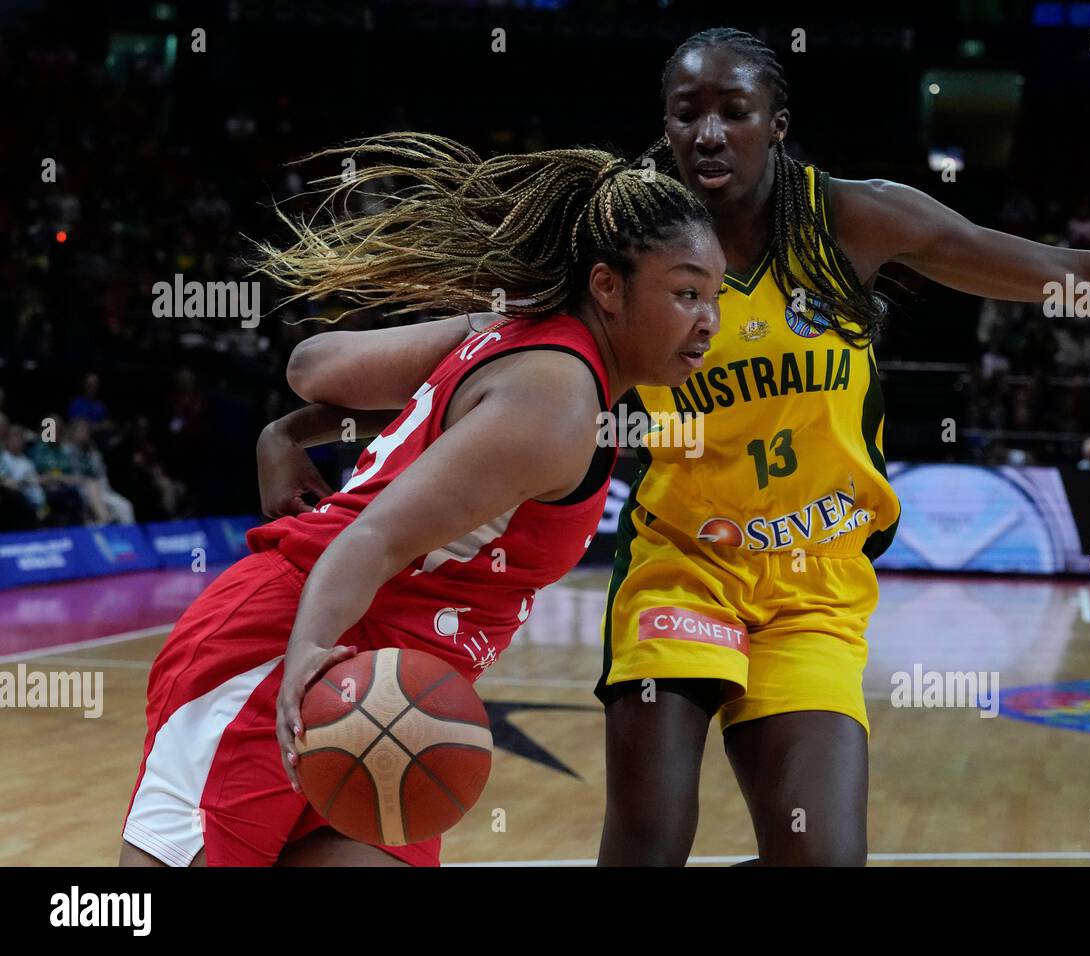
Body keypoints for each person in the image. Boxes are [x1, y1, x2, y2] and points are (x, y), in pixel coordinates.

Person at [258, 28, 1090, 867]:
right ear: (663, 128)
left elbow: (1064, 273)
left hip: (816, 586)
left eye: (732, 111)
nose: (707, 131)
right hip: (682, 565)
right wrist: (296, 427)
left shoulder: (852, 222)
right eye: (686, 111)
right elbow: (485, 373)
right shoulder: (623, 250)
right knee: (649, 844)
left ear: (777, 125)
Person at [119, 132, 724, 868]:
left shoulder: (524, 345)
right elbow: (369, 540)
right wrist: (304, 663)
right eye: (686, 292)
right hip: (293, 649)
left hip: (385, 693)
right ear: (606, 286)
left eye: (714, 297)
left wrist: (291, 430)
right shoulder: (559, 397)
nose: (708, 320)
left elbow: (317, 367)